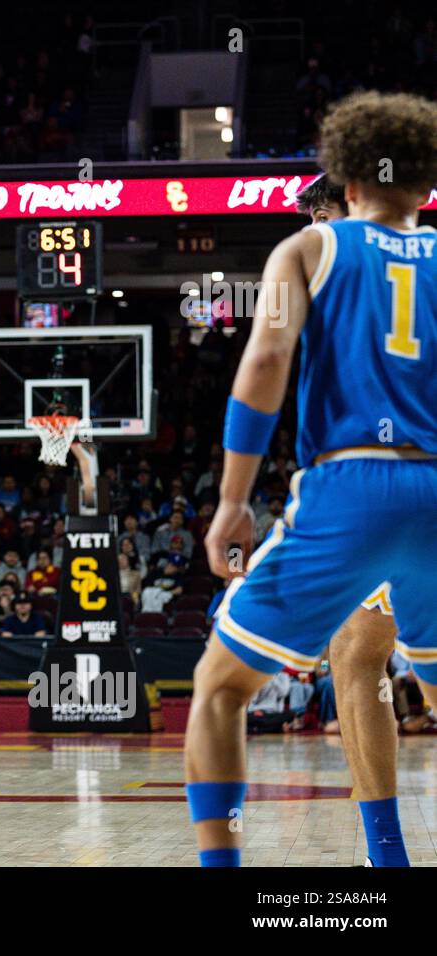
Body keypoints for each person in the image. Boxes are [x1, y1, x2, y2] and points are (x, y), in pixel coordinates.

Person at [186, 91, 437, 868]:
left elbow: (263, 363)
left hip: (351, 486)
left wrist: (232, 500)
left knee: (220, 690)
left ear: (347, 184)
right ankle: (384, 858)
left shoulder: (309, 251)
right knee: (357, 654)